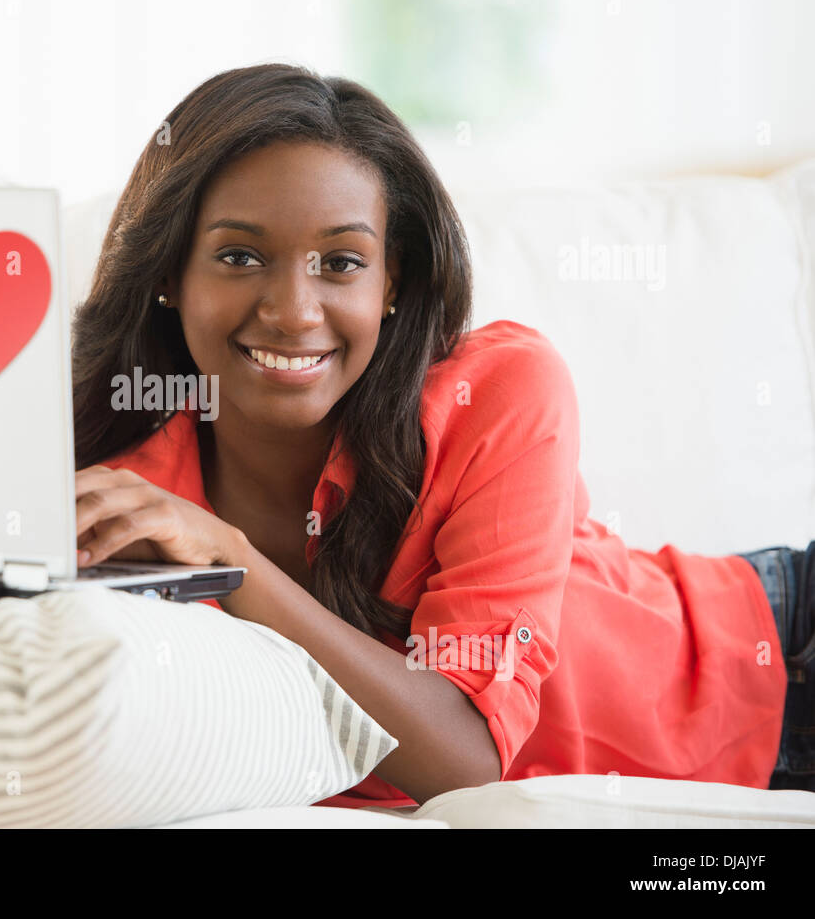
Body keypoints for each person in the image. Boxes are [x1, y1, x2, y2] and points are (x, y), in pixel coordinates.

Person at [68, 62, 805, 809]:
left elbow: (465, 757)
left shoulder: (500, 391)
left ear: (390, 283)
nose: (293, 310)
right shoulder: (126, 497)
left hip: (773, 656)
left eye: (341, 262)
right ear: (168, 272)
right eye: (240, 256)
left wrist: (234, 562)